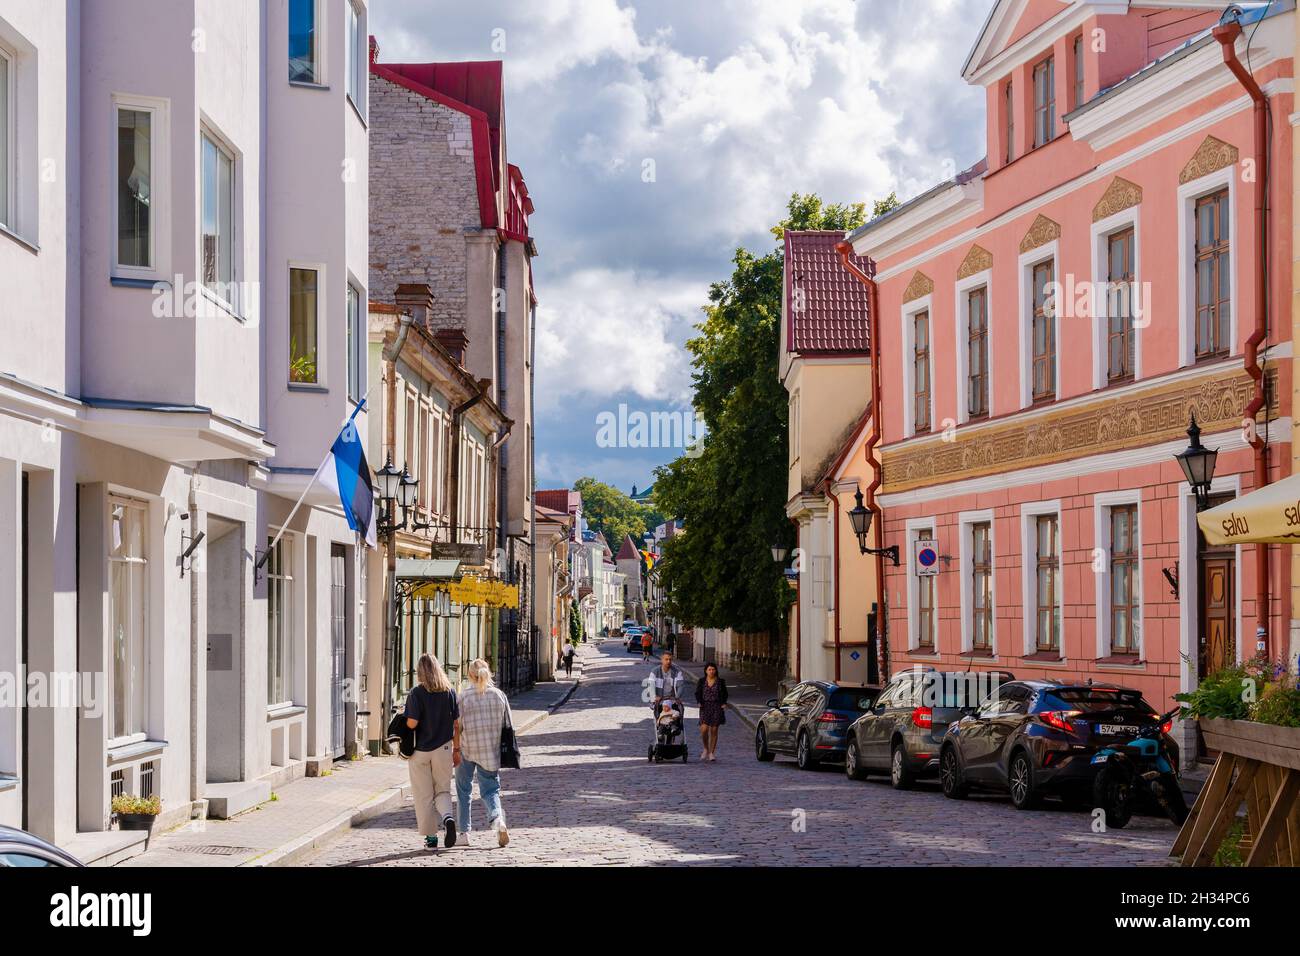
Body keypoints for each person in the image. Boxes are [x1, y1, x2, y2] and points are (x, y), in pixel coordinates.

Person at [453, 658, 512, 848]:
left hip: (467, 749)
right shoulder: (499, 695)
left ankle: (464, 833)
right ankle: (497, 820)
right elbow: (508, 727)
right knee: (491, 790)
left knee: (464, 791)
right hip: (490, 751)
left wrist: (455, 748)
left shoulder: (462, 698)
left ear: (469, 675)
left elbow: (457, 726)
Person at [404, 654, 460, 850]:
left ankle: (431, 839)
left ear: (420, 672)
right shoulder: (450, 692)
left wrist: (401, 720)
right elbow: (456, 724)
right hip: (444, 749)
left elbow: (412, 723)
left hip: (420, 751)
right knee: (443, 789)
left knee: (424, 794)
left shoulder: (416, 693)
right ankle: (448, 818)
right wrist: (457, 749)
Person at [694, 661, 729, 762]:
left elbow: (725, 693)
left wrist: (724, 703)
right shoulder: (702, 681)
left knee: (714, 730)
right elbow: (697, 693)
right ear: (706, 671)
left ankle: (711, 753)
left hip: (717, 706)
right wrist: (699, 702)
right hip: (705, 706)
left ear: (716, 670)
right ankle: (705, 748)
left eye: (713, 669)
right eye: (709, 669)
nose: (711, 671)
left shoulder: (720, 681)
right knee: (704, 729)